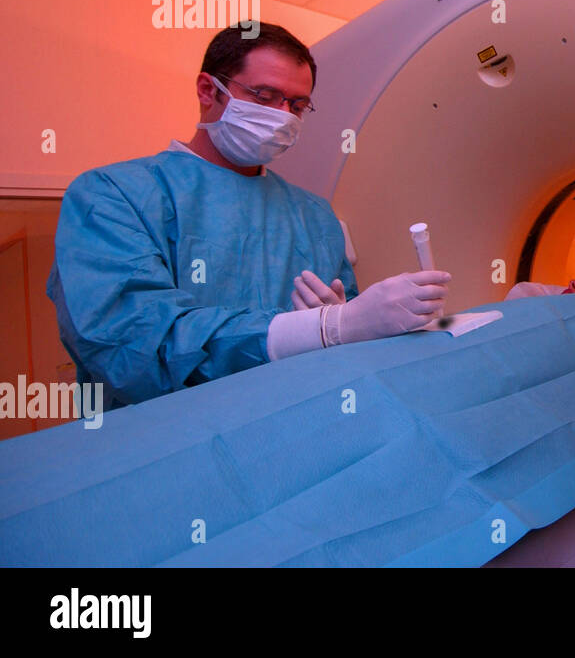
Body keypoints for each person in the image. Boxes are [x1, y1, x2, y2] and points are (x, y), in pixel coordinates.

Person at [47, 23, 451, 409]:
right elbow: (129, 348)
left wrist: (348, 327)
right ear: (209, 90)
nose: (283, 115)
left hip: (297, 422)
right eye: (264, 96)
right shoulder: (113, 196)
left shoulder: (314, 214)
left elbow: (350, 326)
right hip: (167, 446)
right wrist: (322, 329)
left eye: (297, 104)